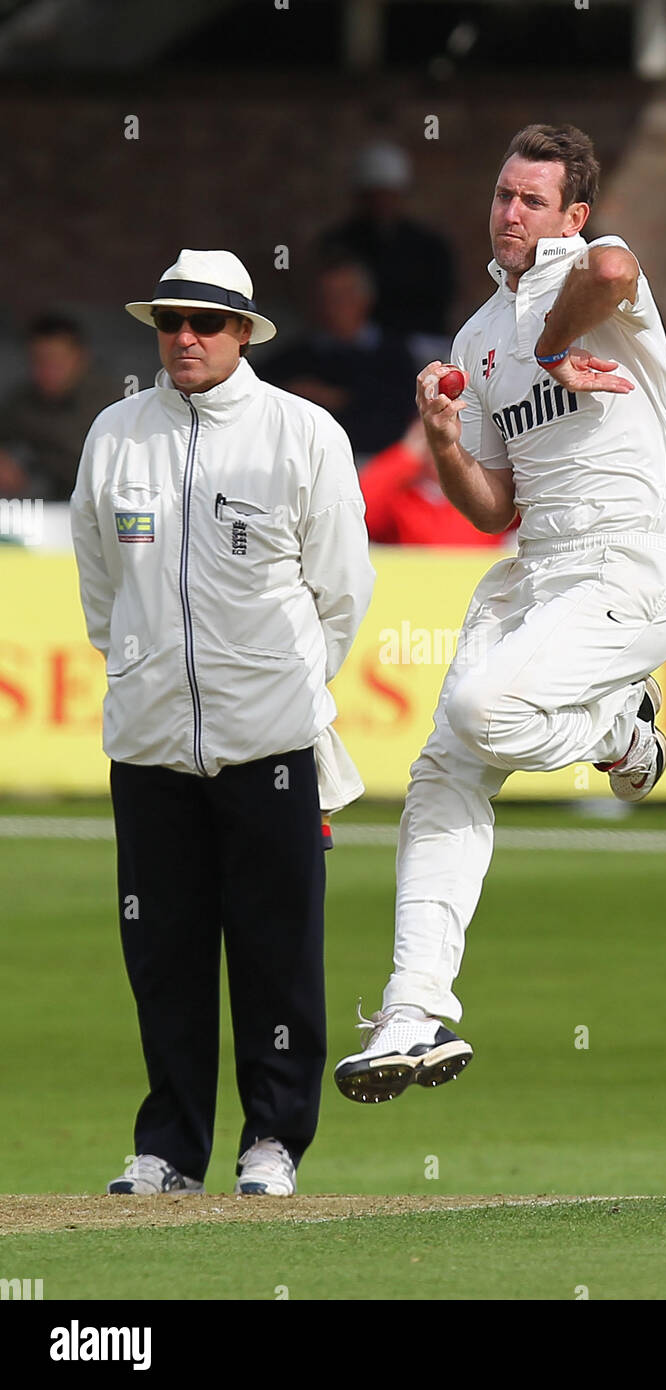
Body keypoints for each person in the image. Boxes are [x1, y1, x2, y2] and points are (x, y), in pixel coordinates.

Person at [334, 124, 666, 1102]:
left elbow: (613, 270)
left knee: (482, 712)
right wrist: (445, 442)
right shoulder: (473, 339)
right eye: (501, 194)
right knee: (443, 768)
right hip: (536, 572)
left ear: (569, 215)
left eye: (531, 200)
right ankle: (412, 1012)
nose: (509, 213)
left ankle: (620, 726)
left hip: (625, 566)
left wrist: (551, 340)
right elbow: (493, 508)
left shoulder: (595, 277)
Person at [70, 249, 375, 1193]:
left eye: (205, 322)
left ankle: (273, 1141)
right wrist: (146, 668)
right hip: (151, 742)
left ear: (245, 332)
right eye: (170, 322)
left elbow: (343, 593)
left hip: (271, 744)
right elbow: (98, 588)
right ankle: (168, 1147)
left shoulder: (302, 433)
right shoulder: (116, 434)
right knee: (163, 954)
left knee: (276, 953)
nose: (185, 339)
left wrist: (276, 691)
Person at [259, 256, 417, 462]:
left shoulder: (394, 354)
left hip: (379, 462)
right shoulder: (299, 354)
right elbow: (262, 385)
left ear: (365, 300)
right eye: (326, 297)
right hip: (312, 460)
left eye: (343, 296)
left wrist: (341, 399)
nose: (333, 306)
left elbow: (401, 409)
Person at [318, 141, 457, 343]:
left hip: (419, 343)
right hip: (355, 342)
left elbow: (442, 302)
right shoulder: (340, 243)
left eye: (388, 195)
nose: (382, 203)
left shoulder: (431, 247)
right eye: (373, 195)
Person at [0, 315, 117, 501]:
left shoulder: (111, 404)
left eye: (57, 360)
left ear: (81, 357)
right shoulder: (21, 402)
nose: (48, 370)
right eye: (39, 361)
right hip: (41, 507)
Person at [360, 418, 514, 546]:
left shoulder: (491, 491)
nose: (447, 453)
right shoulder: (402, 497)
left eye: (460, 443)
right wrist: (405, 454)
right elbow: (361, 515)